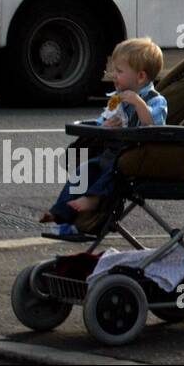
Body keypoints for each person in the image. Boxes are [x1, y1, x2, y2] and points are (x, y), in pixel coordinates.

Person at [40, 38, 168, 238]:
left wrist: (139, 104)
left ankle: (93, 200)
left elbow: (153, 126)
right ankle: (60, 212)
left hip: (136, 158)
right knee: (85, 171)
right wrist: (105, 125)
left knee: (112, 172)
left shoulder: (155, 100)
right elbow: (102, 121)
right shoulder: (117, 99)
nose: (113, 76)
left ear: (141, 76)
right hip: (111, 153)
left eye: (119, 71)